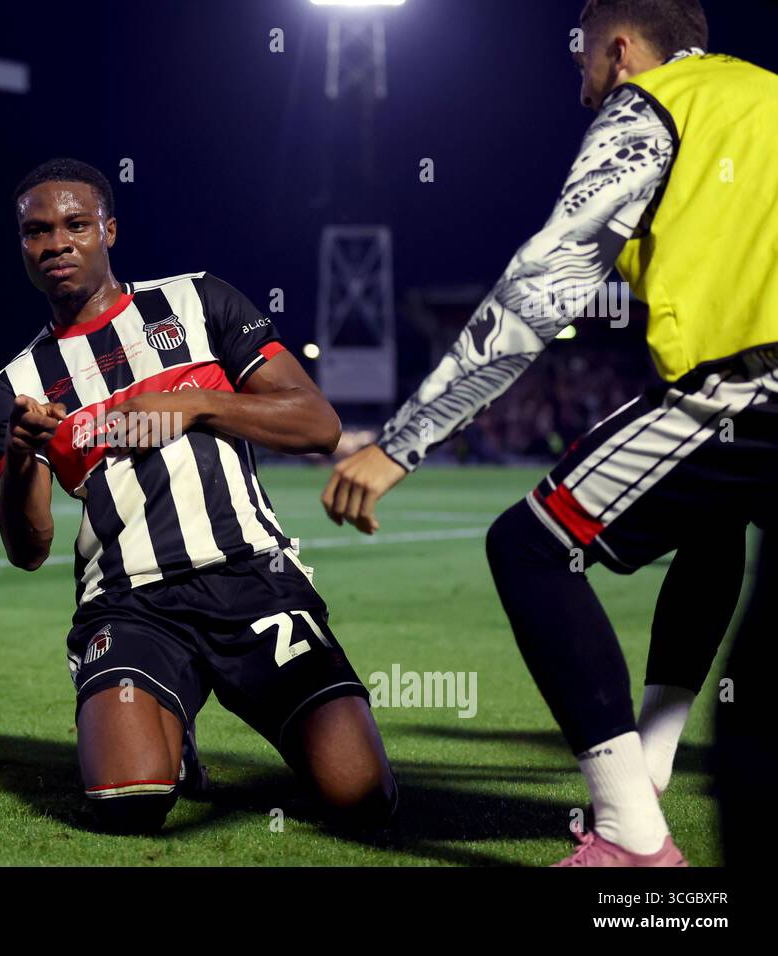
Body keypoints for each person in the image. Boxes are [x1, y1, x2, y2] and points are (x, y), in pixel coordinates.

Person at [322, 0, 776, 865]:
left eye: (581, 68)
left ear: (619, 48)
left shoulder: (651, 106)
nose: (582, 91)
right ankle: (650, 768)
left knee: (529, 547)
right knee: (711, 528)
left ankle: (630, 836)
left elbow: (542, 290)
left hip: (752, 389)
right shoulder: (763, 98)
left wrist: (401, 441)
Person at [0, 158, 396, 834]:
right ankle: (171, 738)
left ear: (109, 230)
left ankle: (205, 714)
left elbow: (317, 425)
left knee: (360, 796)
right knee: (129, 801)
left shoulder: (199, 302)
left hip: (254, 578)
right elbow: (27, 550)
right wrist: (25, 455)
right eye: (36, 232)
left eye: (75, 225)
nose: (56, 242)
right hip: (130, 600)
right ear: (23, 247)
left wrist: (199, 404)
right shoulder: (18, 384)